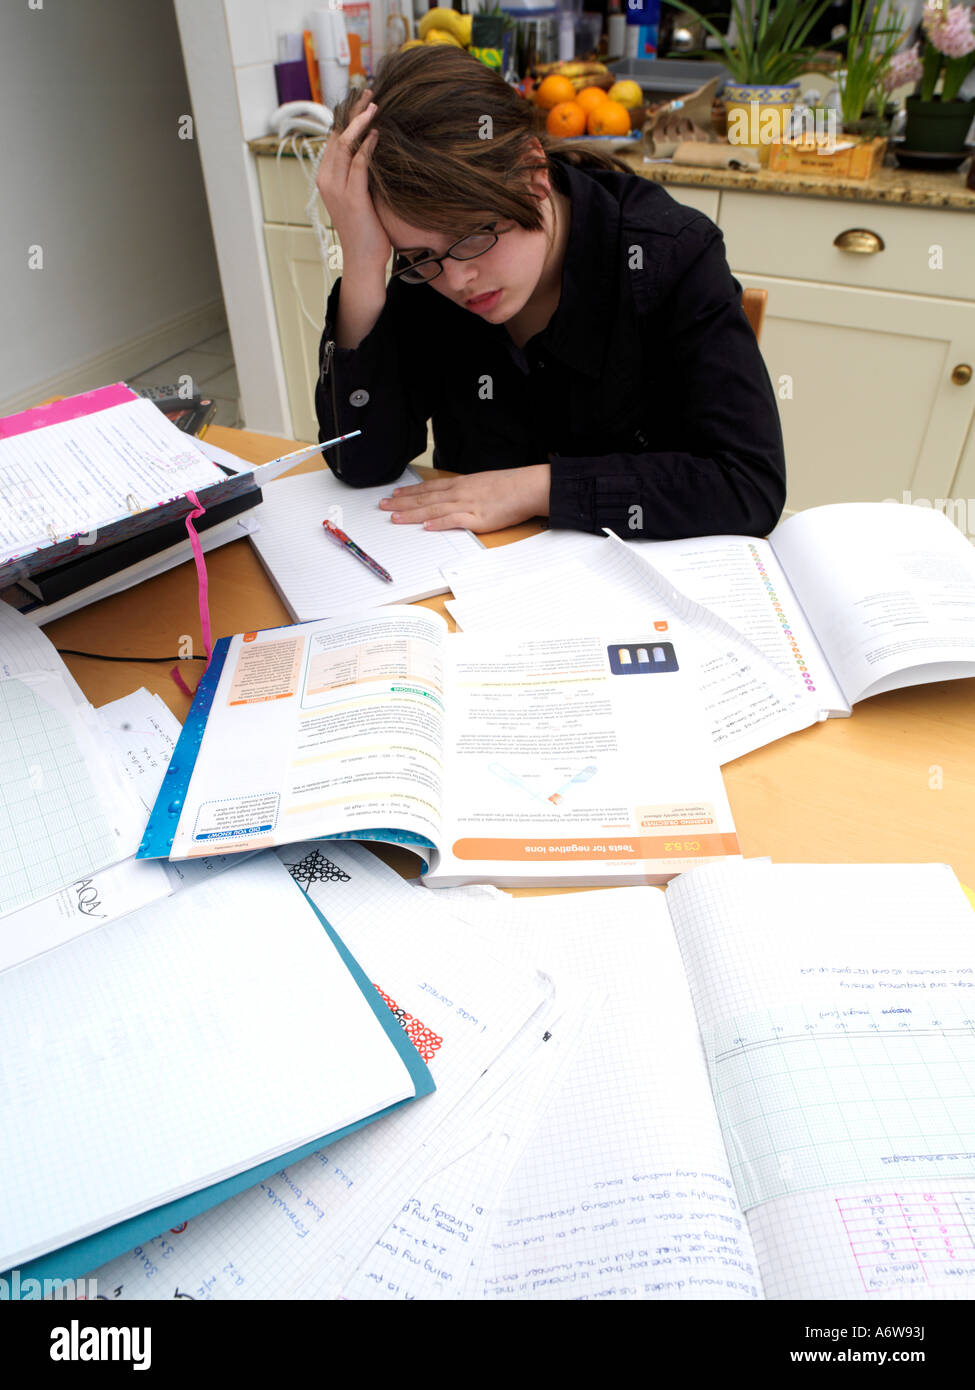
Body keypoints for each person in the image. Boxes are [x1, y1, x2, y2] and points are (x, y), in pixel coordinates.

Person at [314, 46, 786, 539]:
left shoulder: (670, 254)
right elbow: (362, 464)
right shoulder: (429, 269)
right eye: (416, 256)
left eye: (473, 238)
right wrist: (364, 264)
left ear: (534, 173)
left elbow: (748, 484)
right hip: (476, 580)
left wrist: (537, 488)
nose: (456, 281)